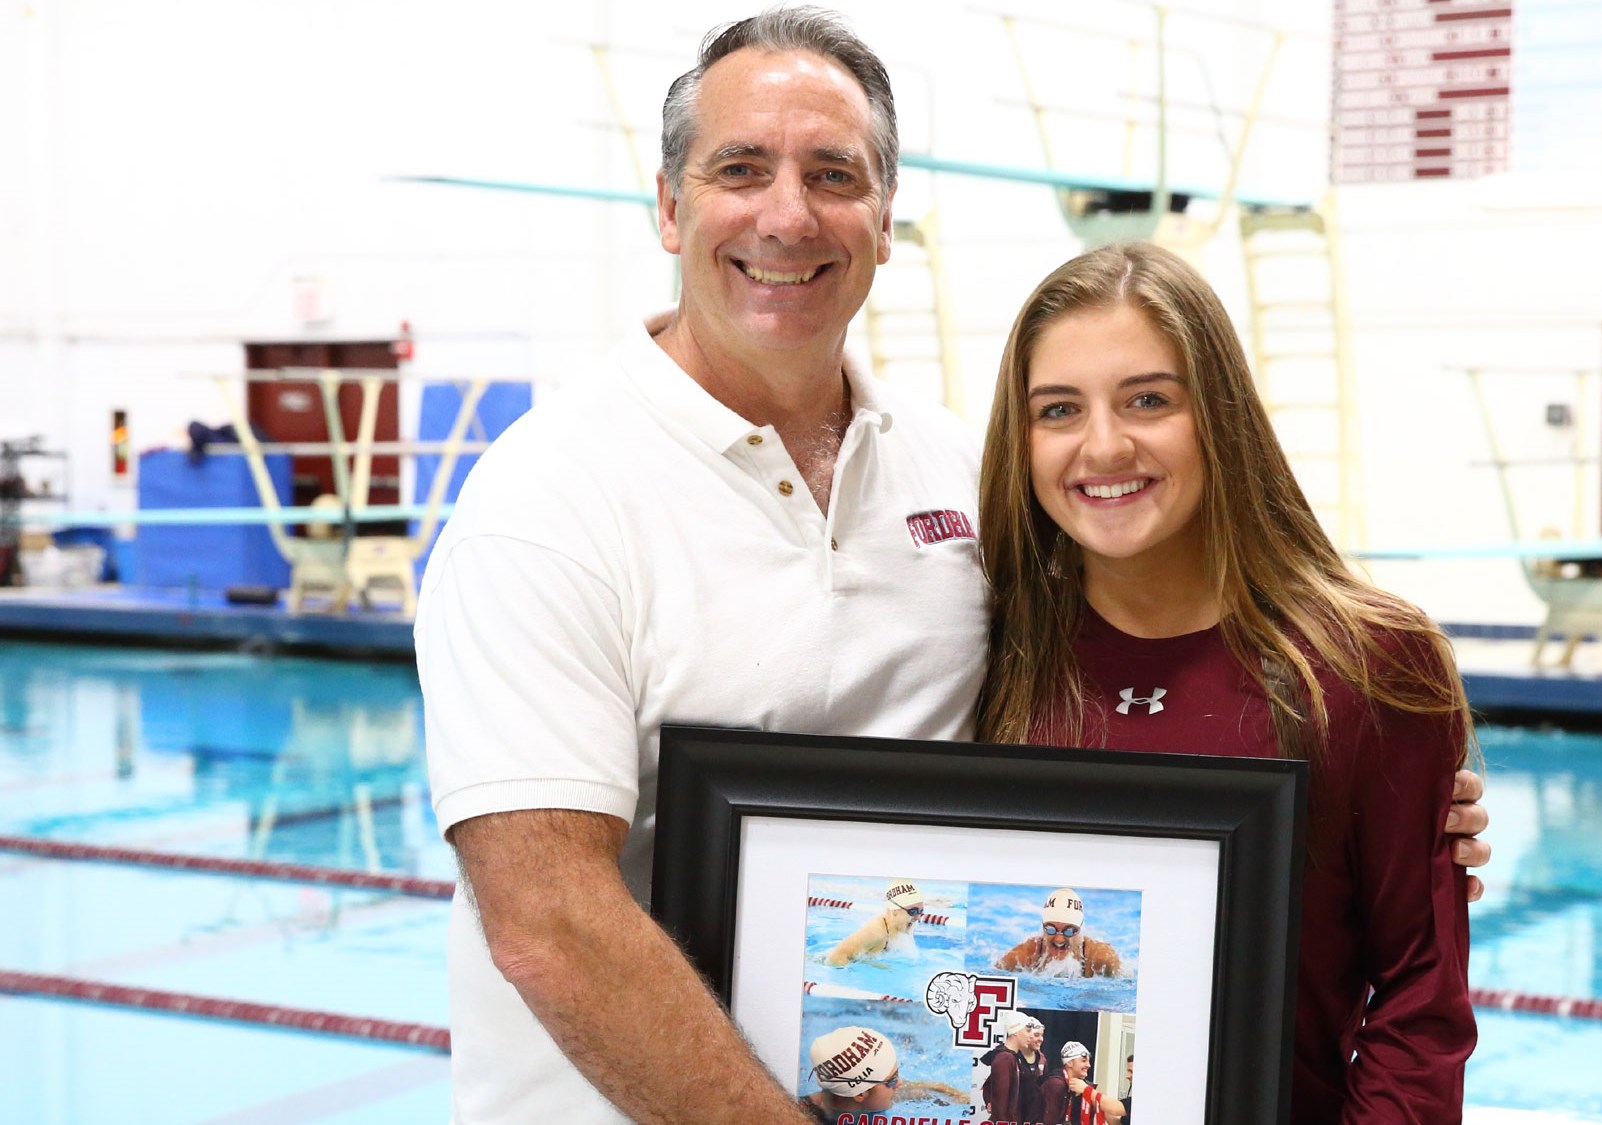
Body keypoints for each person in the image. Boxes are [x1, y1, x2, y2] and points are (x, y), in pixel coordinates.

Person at [417, 9, 1493, 1124]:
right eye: (741, 169)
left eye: (832, 174)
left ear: (883, 219)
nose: (787, 214)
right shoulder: (546, 503)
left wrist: (1397, 791)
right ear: (669, 205)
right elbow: (547, 926)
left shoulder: (952, 478)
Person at [976, 242, 1479, 1122]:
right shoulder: (988, 646)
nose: (1104, 444)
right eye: (1059, 409)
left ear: (1219, 413)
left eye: (1148, 399)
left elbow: (1419, 1004)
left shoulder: (1371, 665)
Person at [995, 887, 1123, 976]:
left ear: (1080, 929)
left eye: (1069, 931)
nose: (1059, 939)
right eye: (1051, 929)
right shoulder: (1023, 956)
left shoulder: (1102, 960)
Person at [799, 1025, 900, 1124]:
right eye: (893, 1081)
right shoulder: (800, 1116)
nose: (900, 1083)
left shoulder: (879, 1095)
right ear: (860, 1094)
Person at [827, 879, 926, 967]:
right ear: (894, 910)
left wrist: (874, 964)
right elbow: (835, 958)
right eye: (912, 912)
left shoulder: (906, 925)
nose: (918, 917)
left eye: (921, 911)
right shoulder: (874, 933)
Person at [977, 1009, 1046, 1124]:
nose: (1030, 1036)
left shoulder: (1013, 1057)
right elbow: (1000, 1105)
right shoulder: (1005, 1058)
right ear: (1016, 1032)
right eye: (1028, 1031)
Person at [1040, 1041, 1126, 1124]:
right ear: (1069, 1063)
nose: (1089, 1065)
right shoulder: (1054, 1085)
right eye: (1084, 1061)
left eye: (1088, 1061)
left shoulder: (1086, 1087)